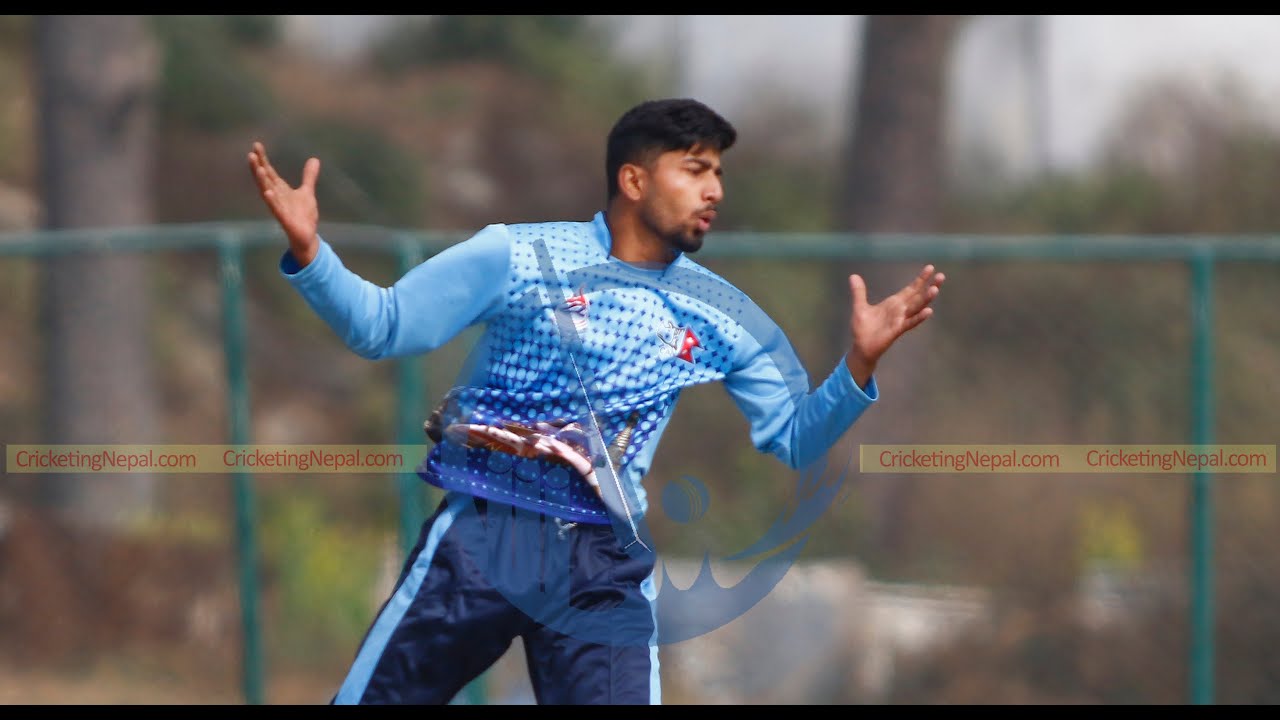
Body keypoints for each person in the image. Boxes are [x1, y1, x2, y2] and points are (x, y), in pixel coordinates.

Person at [247, 97, 944, 705]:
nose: (715, 191)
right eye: (695, 169)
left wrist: (857, 365)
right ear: (634, 179)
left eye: (719, 174)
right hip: (487, 533)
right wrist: (313, 253)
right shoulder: (517, 256)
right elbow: (384, 326)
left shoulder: (725, 313)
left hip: (601, 562)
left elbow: (793, 437)